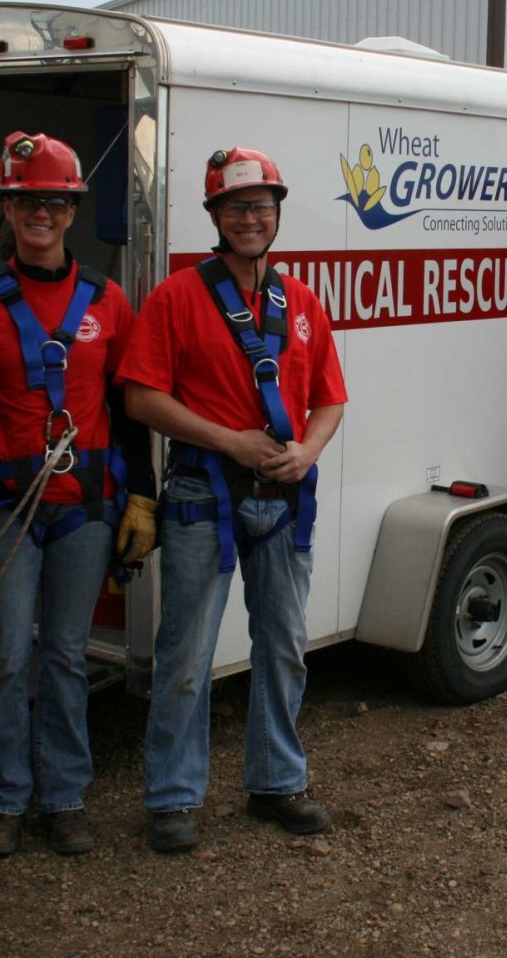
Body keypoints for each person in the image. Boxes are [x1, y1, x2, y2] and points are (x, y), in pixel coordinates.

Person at [118, 146, 346, 853]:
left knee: (283, 647)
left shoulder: (300, 303)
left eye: (260, 207)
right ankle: (172, 797)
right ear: (214, 215)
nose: (250, 219)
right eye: (236, 208)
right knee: (185, 652)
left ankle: (276, 781)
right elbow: (141, 397)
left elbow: (330, 399)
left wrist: (306, 451)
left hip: (282, 497)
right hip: (202, 494)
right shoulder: (177, 298)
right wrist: (230, 442)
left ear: (276, 214)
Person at [0, 132, 157, 858]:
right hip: (4, 507)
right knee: (8, 655)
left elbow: (131, 406)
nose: (39, 213)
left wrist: (140, 500)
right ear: (8, 208)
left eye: (53, 201)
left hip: (83, 507)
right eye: (25, 201)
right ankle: (3, 799)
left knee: (68, 657)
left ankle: (65, 796)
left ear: (73, 210)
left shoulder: (108, 302)